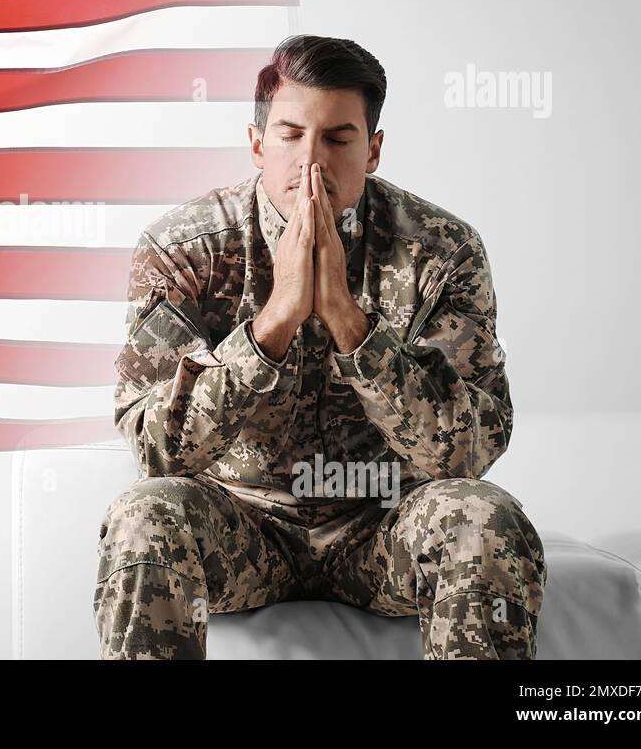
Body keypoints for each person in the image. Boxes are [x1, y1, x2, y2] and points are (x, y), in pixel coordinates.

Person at [94, 35, 547, 659]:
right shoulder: (184, 249)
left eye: (338, 139)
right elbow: (159, 448)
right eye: (289, 134)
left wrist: (347, 320)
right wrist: (273, 323)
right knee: (144, 513)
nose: (312, 163)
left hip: (383, 521)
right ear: (257, 143)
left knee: (484, 517)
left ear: (374, 149)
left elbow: (467, 451)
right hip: (244, 522)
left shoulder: (441, 252)